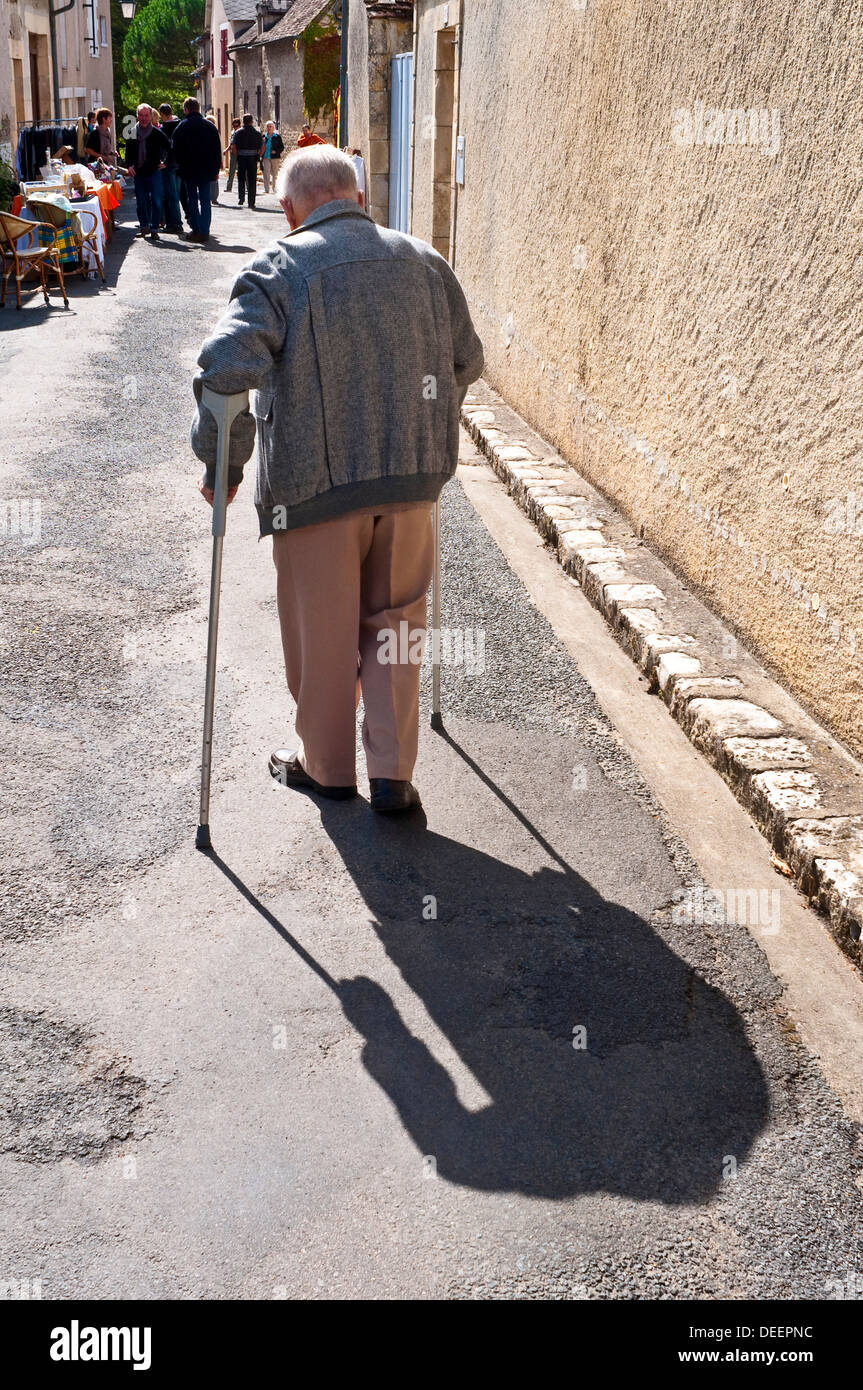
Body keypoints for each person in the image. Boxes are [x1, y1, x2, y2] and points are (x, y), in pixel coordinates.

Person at [191, 147, 484, 813]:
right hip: (410, 481)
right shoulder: (425, 262)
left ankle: (325, 769)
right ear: (356, 198)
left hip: (312, 486)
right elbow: (466, 361)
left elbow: (222, 375)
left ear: (290, 208)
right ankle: (391, 773)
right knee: (397, 624)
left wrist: (222, 464)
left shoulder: (278, 267)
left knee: (321, 632)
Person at [170, 96, 223, 244]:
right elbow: (216, 150)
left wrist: (180, 165)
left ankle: (196, 229)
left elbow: (175, 149)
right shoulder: (210, 126)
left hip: (189, 170)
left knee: (192, 200)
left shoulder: (181, 126)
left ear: (186, 109)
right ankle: (204, 231)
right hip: (206, 170)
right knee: (205, 200)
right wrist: (216, 169)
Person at [123, 103, 171, 240]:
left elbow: (169, 147)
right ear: (137, 116)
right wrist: (130, 165)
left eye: (146, 115)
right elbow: (128, 153)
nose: (143, 118)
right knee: (141, 202)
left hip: (154, 171)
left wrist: (165, 162)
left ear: (151, 116)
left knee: (156, 201)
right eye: (141, 115)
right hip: (139, 173)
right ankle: (144, 226)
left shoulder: (157, 133)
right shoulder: (132, 132)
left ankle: (154, 228)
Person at [157, 103, 184, 234]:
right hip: (179, 164)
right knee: (176, 195)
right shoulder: (180, 125)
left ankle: (176, 224)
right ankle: (176, 222)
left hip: (168, 165)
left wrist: (164, 161)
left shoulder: (164, 128)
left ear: (162, 115)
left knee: (171, 195)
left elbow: (167, 147)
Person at [233, 113, 263, 207]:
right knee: (252, 179)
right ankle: (251, 202)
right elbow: (263, 146)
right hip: (253, 157)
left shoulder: (238, 132)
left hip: (241, 157)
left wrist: (237, 155)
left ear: (243, 121)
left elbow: (233, 146)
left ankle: (241, 198)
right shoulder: (257, 133)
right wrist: (259, 155)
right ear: (252, 122)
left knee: (241, 178)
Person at [260, 121, 284, 194]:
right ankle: (266, 189)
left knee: (275, 173)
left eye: (271, 126)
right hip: (266, 157)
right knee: (266, 173)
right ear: (266, 128)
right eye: (268, 126)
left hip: (275, 157)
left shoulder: (277, 137)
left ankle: (274, 188)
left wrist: (276, 151)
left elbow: (282, 147)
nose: (269, 128)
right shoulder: (263, 137)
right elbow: (260, 146)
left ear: (273, 128)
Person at [205, 113, 222, 203]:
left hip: (212, 159)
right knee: (211, 179)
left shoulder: (215, 132)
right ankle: (210, 197)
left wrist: (220, 161)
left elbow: (219, 147)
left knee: (214, 179)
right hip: (211, 158)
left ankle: (213, 197)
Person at [223, 117, 241, 192]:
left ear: (240, 125)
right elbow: (231, 144)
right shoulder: (233, 132)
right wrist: (226, 150)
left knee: (242, 171)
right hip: (233, 154)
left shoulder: (241, 132)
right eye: (234, 126)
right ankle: (229, 187)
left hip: (240, 153)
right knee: (231, 171)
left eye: (236, 126)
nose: (235, 127)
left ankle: (247, 187)